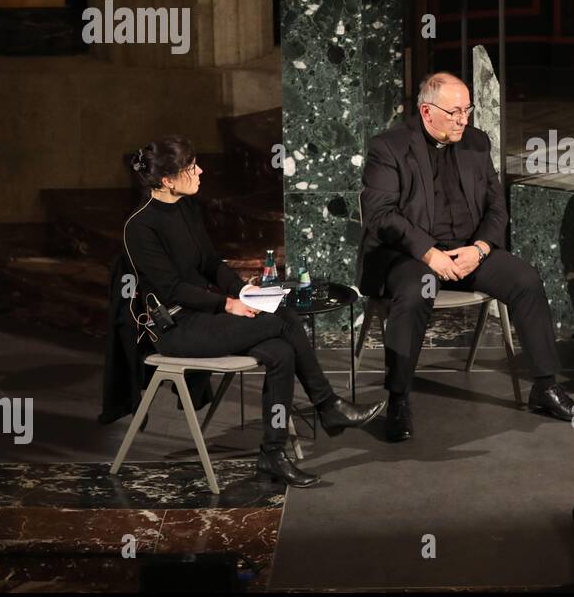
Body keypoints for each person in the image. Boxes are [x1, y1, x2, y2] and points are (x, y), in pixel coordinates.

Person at [123, 136, 383, 488]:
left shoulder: (187, 207)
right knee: (284, 320)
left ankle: (272, 454)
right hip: (176, 327)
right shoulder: (140, 226)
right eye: (191, 167)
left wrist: (243, 289)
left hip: (206, 315)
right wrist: (227, 303)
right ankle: (327, 405)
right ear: (167, 180)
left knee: (280, 350)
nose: (201, 170)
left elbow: (211, 263)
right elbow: (171, 289)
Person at [358, 72, 574, 441]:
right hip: (408, 256)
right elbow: (381, 215)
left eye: (468, 110)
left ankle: (544, 385)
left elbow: (497, 208)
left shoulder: (476, 143)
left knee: (525, 280)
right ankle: (398, 399)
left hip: (468, 250)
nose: (464, 120)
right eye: (455, 112)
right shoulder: (389, 148)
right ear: (427, 112)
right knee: (418, 292)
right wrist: (429, 255)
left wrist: (480, 249)